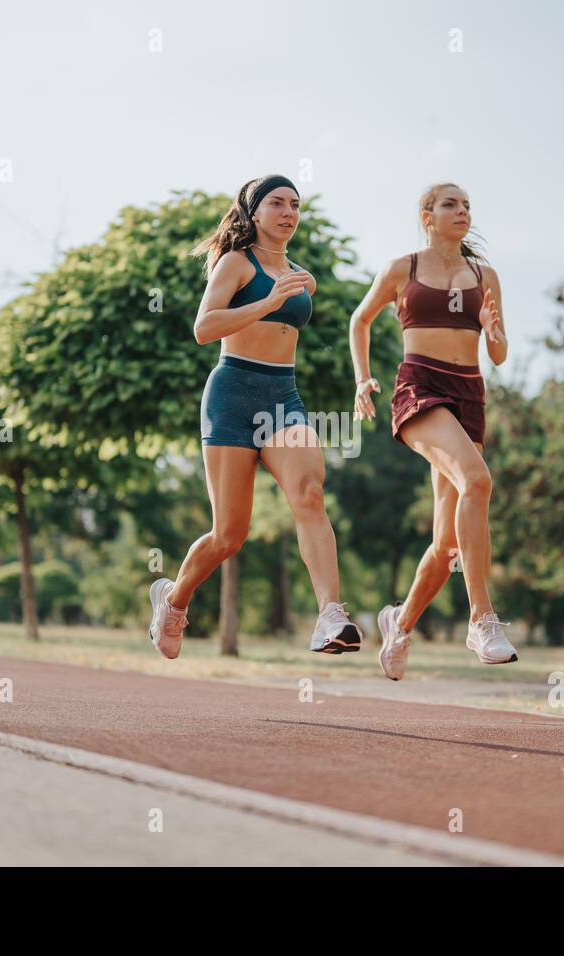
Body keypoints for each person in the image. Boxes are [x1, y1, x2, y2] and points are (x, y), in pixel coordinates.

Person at [147, 174, 362, 658]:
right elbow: (205, 327)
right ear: (253, 211)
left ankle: (330, 614)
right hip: (232, 395)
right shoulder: (235, 263)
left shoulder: (301, 272)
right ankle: (173, 599)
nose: (288, 212)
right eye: (277, 203)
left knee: (309, 492)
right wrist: (268, 302)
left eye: (295, 205)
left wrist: (302, 289)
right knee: (229, 534)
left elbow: (292, 316)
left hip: (282, 395)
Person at [349, 182, 517, 680]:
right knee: (479, 481)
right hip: (420, 387)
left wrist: (493, 330)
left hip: (468, 393)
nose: (462, 211)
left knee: (446, 547)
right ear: (427, 215)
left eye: (467, 204)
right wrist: (362, 379)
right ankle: (481, 618)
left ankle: (399, 625)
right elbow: (360, 321)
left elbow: (502, 353)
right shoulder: (404, 267)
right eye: (450, 204)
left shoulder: (485, 274)